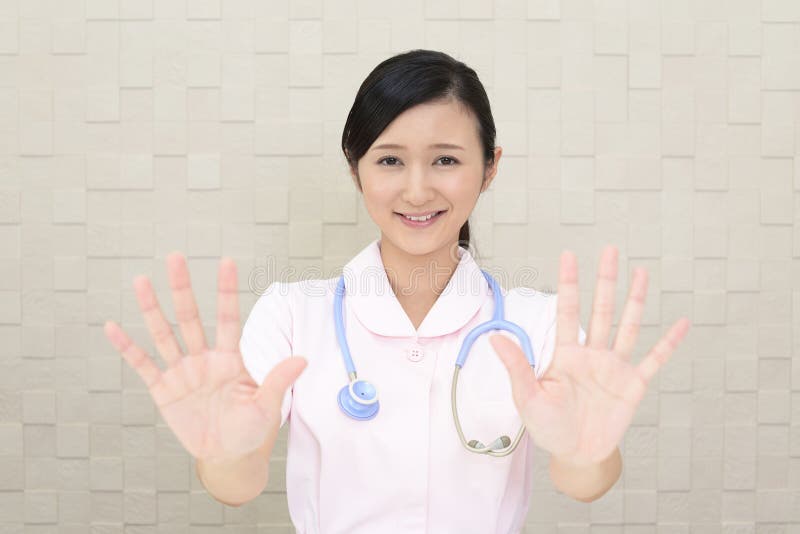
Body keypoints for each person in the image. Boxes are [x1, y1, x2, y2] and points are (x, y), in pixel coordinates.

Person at [103, 49, 691, 533]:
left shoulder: (538, 325)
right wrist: (224, 452)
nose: (416, 190)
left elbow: (583, 480)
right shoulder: (290, 314)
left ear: (489, 168)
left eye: (445, 160)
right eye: (389, 160)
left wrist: (587, 452)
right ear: (354, 167)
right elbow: (237, 483)